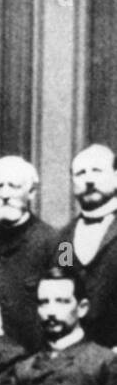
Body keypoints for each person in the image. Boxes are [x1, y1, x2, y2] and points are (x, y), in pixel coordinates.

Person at [0, 156, 61, 353]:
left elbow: (66, 296)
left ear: (32, 193)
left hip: (34, 354)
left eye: (14, 186)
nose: (5, 194)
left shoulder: (57, 242)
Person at [60, 144, 117, 347]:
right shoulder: (64, 239)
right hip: (78, 357)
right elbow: (61, 278)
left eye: (97, 171)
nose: (89, 179)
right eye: (81, 173)